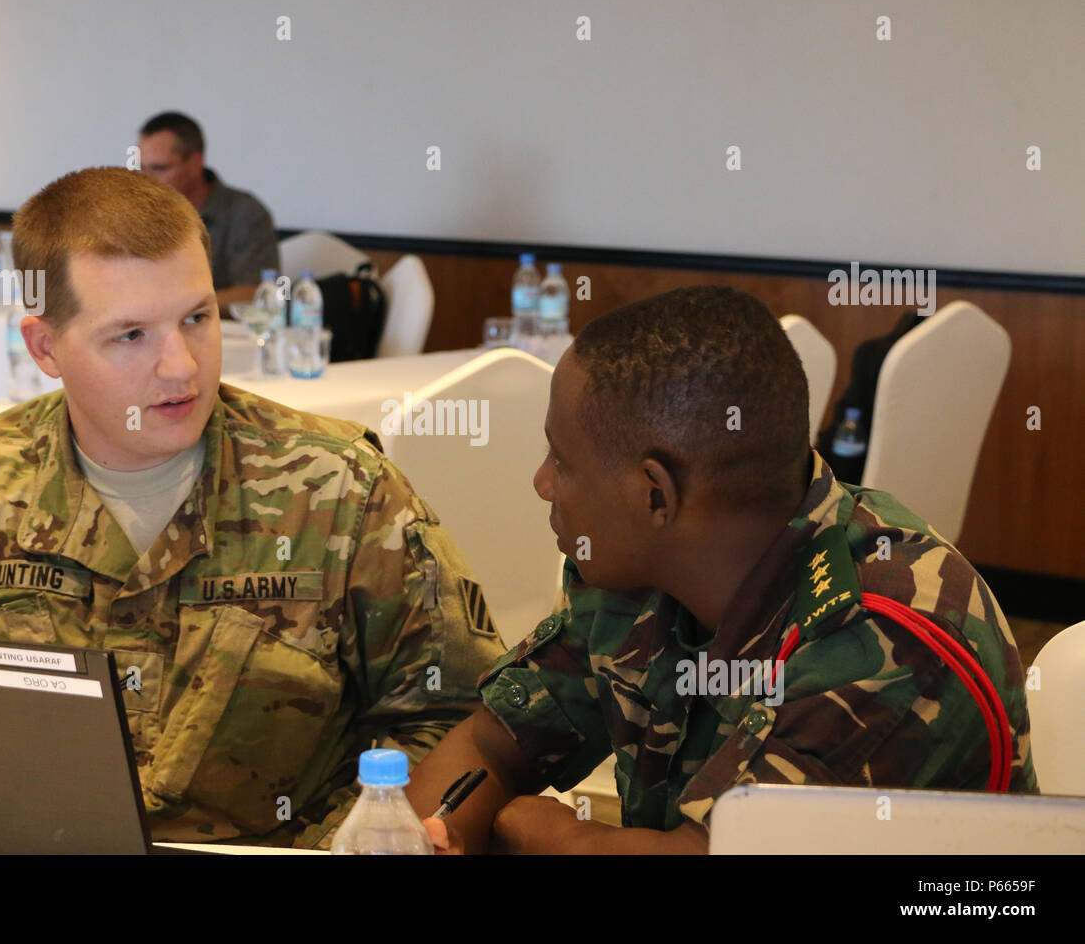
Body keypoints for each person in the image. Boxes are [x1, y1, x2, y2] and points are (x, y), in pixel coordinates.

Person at [0, 166, 504, 849]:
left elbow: (459, 715)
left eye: (197, 318)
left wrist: (364, 839)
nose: (181, 366)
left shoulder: (339, 490)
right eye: (131, 336)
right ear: (45, 347)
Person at [406, 286, 1037, 854]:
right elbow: (492, 743)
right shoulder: (633, 578)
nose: (543, 483)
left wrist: (548, 830)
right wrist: (437, 835)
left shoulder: (880, 641)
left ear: (655, 495)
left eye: (562, 460)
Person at [137, 111, 279, 308]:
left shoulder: (245, 213)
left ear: (195, 163)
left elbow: (257, 293)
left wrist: (178, 305)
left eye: (160, 168)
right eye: (142, 169)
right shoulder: (137, 213)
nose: (147, 180)